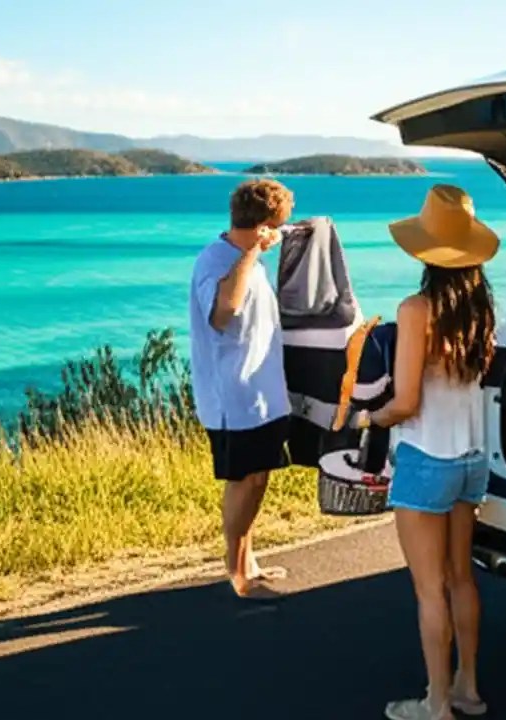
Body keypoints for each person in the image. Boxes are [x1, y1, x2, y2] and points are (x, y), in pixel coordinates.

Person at [347, 184, 499, 720]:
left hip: (427, 459)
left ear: (424, 252)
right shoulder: (480, 308)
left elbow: (407, 400)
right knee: (461, 577)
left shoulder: (417, 309)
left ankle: (436, 705)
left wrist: (371, 416)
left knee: (429, 590)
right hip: (471, 460)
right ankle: (468, 690)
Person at [188, 178, 295, 598]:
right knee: (243, 481)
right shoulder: (216, 260)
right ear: (265, 224)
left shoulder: (249, 259)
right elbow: (223, 312)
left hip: (263, 395)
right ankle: (237, 574)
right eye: (278, 225)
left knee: (259, 478)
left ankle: (249, 561)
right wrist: (251, 253)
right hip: (232, 399)